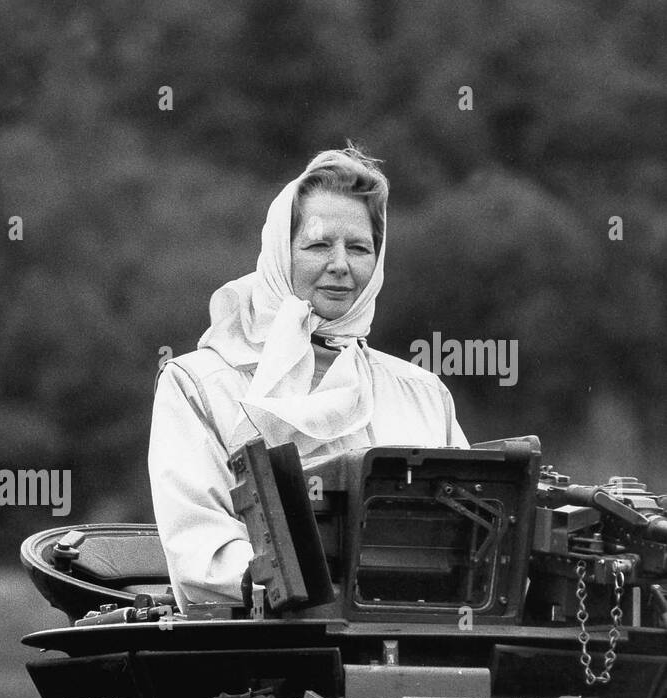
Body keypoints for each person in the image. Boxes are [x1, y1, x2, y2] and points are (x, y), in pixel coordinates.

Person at [149, 144, 469, 612]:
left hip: (411, 632)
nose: (341, 264)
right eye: (319, 245)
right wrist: (300, 590)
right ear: (281, 253)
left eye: (359, 248)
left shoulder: (424, 394)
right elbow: (200, 549)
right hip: (258, 651)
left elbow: (469, 534)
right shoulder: (196, 384)